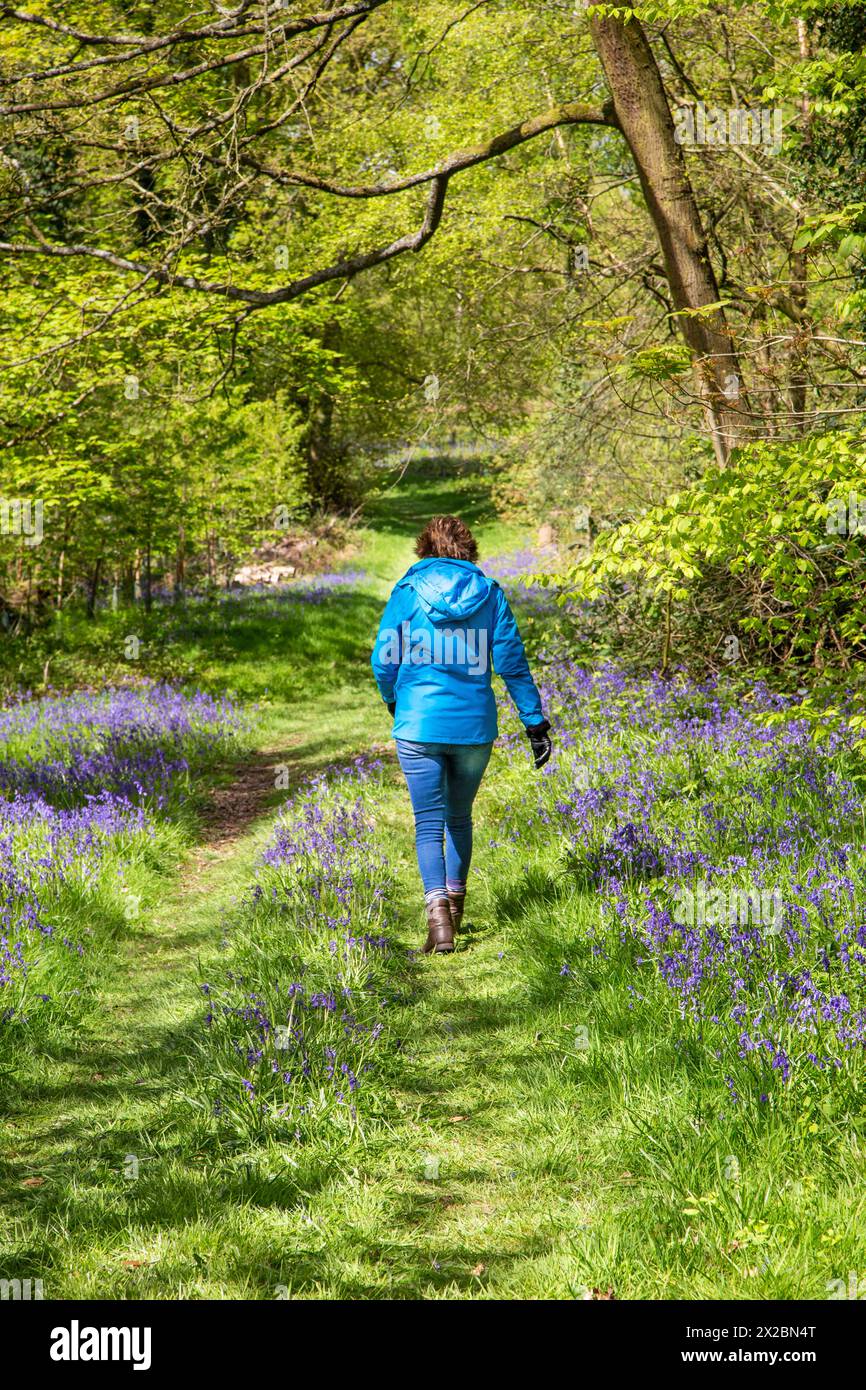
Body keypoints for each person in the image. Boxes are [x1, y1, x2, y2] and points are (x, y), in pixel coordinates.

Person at [371, 514, 551, 954]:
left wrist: (394, 698)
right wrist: (535, 723)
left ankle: (440, 924)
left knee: (428, 822)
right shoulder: (490, 595)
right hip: (473, 727)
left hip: (419, 724)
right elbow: (512, 664)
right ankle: (456, 903)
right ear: (468, 551)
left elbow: (383, 658)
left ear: (424, 549)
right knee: (458, 818)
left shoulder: (407, 593)